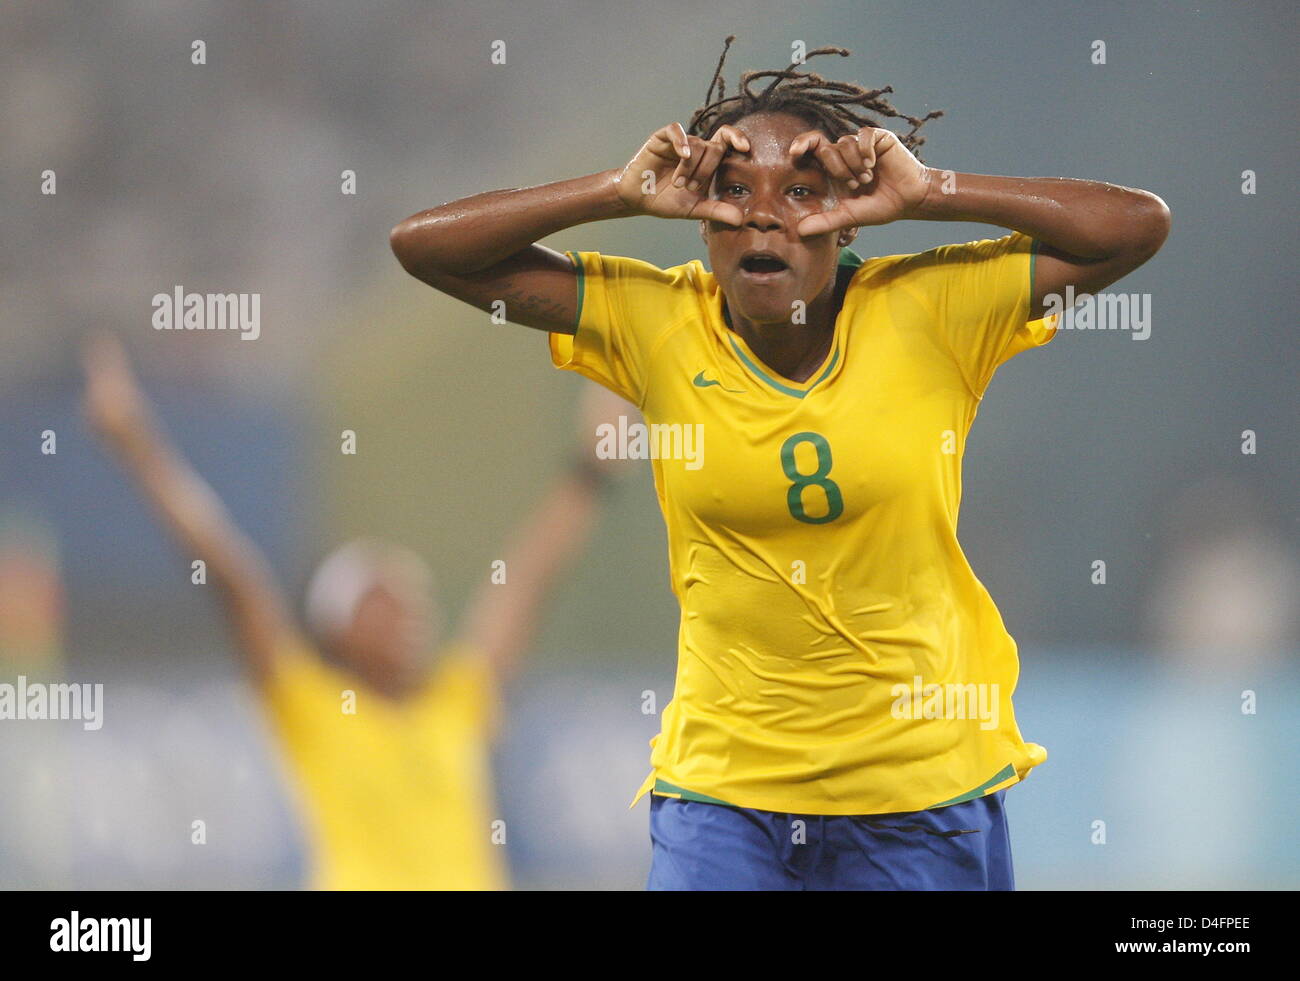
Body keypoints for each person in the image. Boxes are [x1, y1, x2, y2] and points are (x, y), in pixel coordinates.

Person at [388, 38, 1170, 890]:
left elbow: (1134, 228)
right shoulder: (653, 320)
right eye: (733, 192)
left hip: (916, 785)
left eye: (801, 192)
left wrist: (929, 192)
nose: (765, 216)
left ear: (848, 214)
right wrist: (612, 191)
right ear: (699, 218)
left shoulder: (935, 309)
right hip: (724, 792)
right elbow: (426, 249)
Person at [82, 331, 627, 889]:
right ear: (336, 632)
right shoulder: (312, 707)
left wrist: (591, 468)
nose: (410, 615)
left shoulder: (456, 703)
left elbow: (526, 582)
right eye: (382, 603)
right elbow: (232, 577)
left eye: (414, 600)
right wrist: (137, 445)